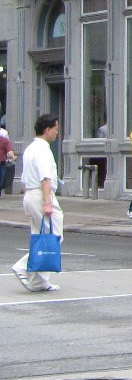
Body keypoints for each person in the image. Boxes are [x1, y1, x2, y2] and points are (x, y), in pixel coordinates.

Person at [11, 113, 62, 293]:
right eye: (55, 129)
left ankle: (39, 281)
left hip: (31, 194)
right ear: (47, 130)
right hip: (41, 195)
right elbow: (46, 178)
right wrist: (47, 203)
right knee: (54, 236)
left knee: (39, 236)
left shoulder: (31, 148)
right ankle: (23, 266)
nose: (57, 133)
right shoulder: (43, 150)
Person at [0, 126, 14, 196]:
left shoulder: (5, 140)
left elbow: (9, 151)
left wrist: (12, 156)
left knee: (1, 181)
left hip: (2, 162)